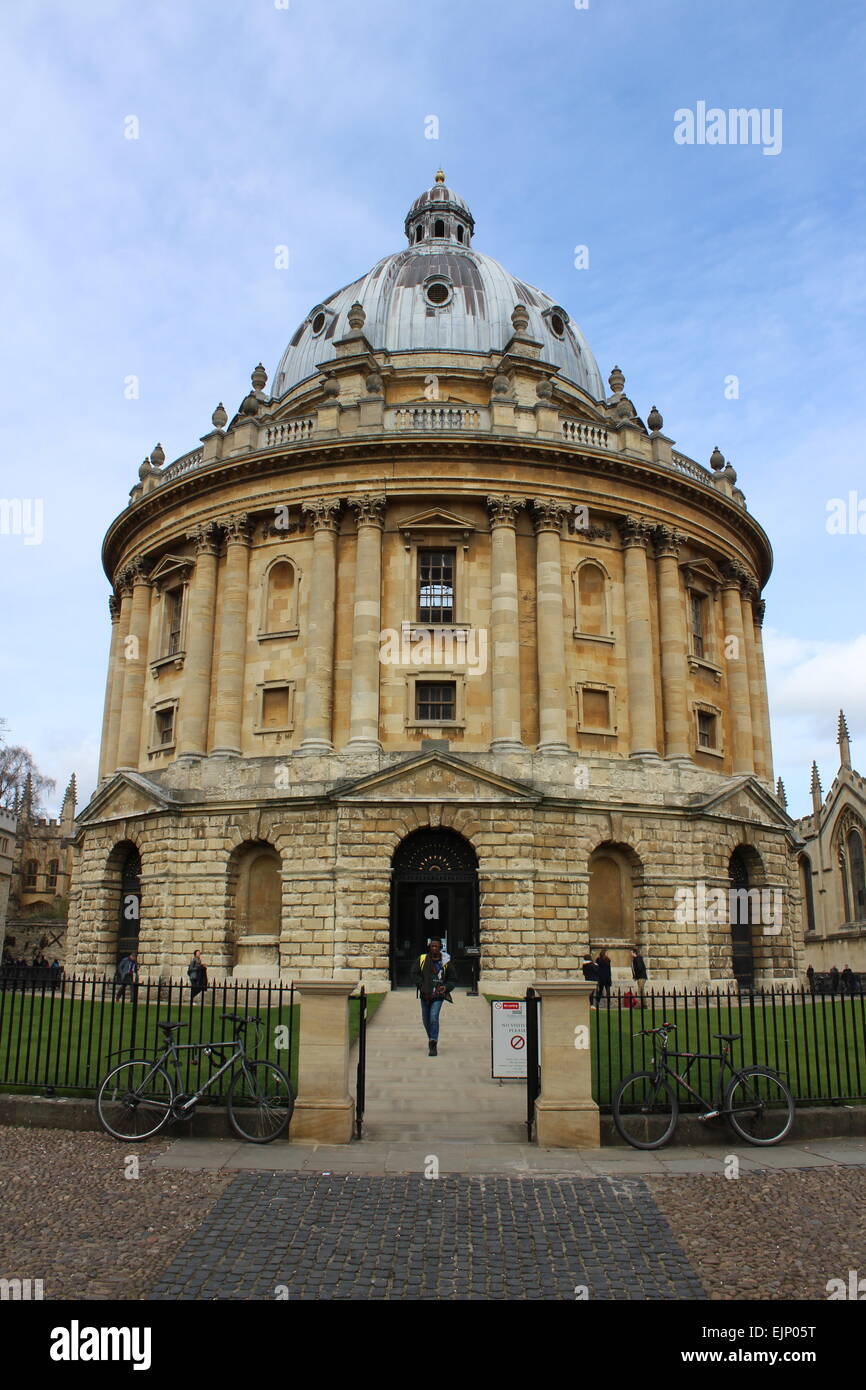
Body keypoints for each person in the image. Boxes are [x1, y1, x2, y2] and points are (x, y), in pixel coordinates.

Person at [410, 936, 458, 1056]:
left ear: (440, 948)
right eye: (432, 946)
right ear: (429, 947)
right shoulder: (422, 959)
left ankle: (433, 1043)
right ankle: (432, 1037)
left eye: (436, 946)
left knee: (433, 1017)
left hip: (438, 995)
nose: (434, 948)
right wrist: (421, 985)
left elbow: (453, 978)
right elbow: (414, 973)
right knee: (426, 1020)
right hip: (425, 994)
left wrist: (446, 988)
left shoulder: (446, 962)